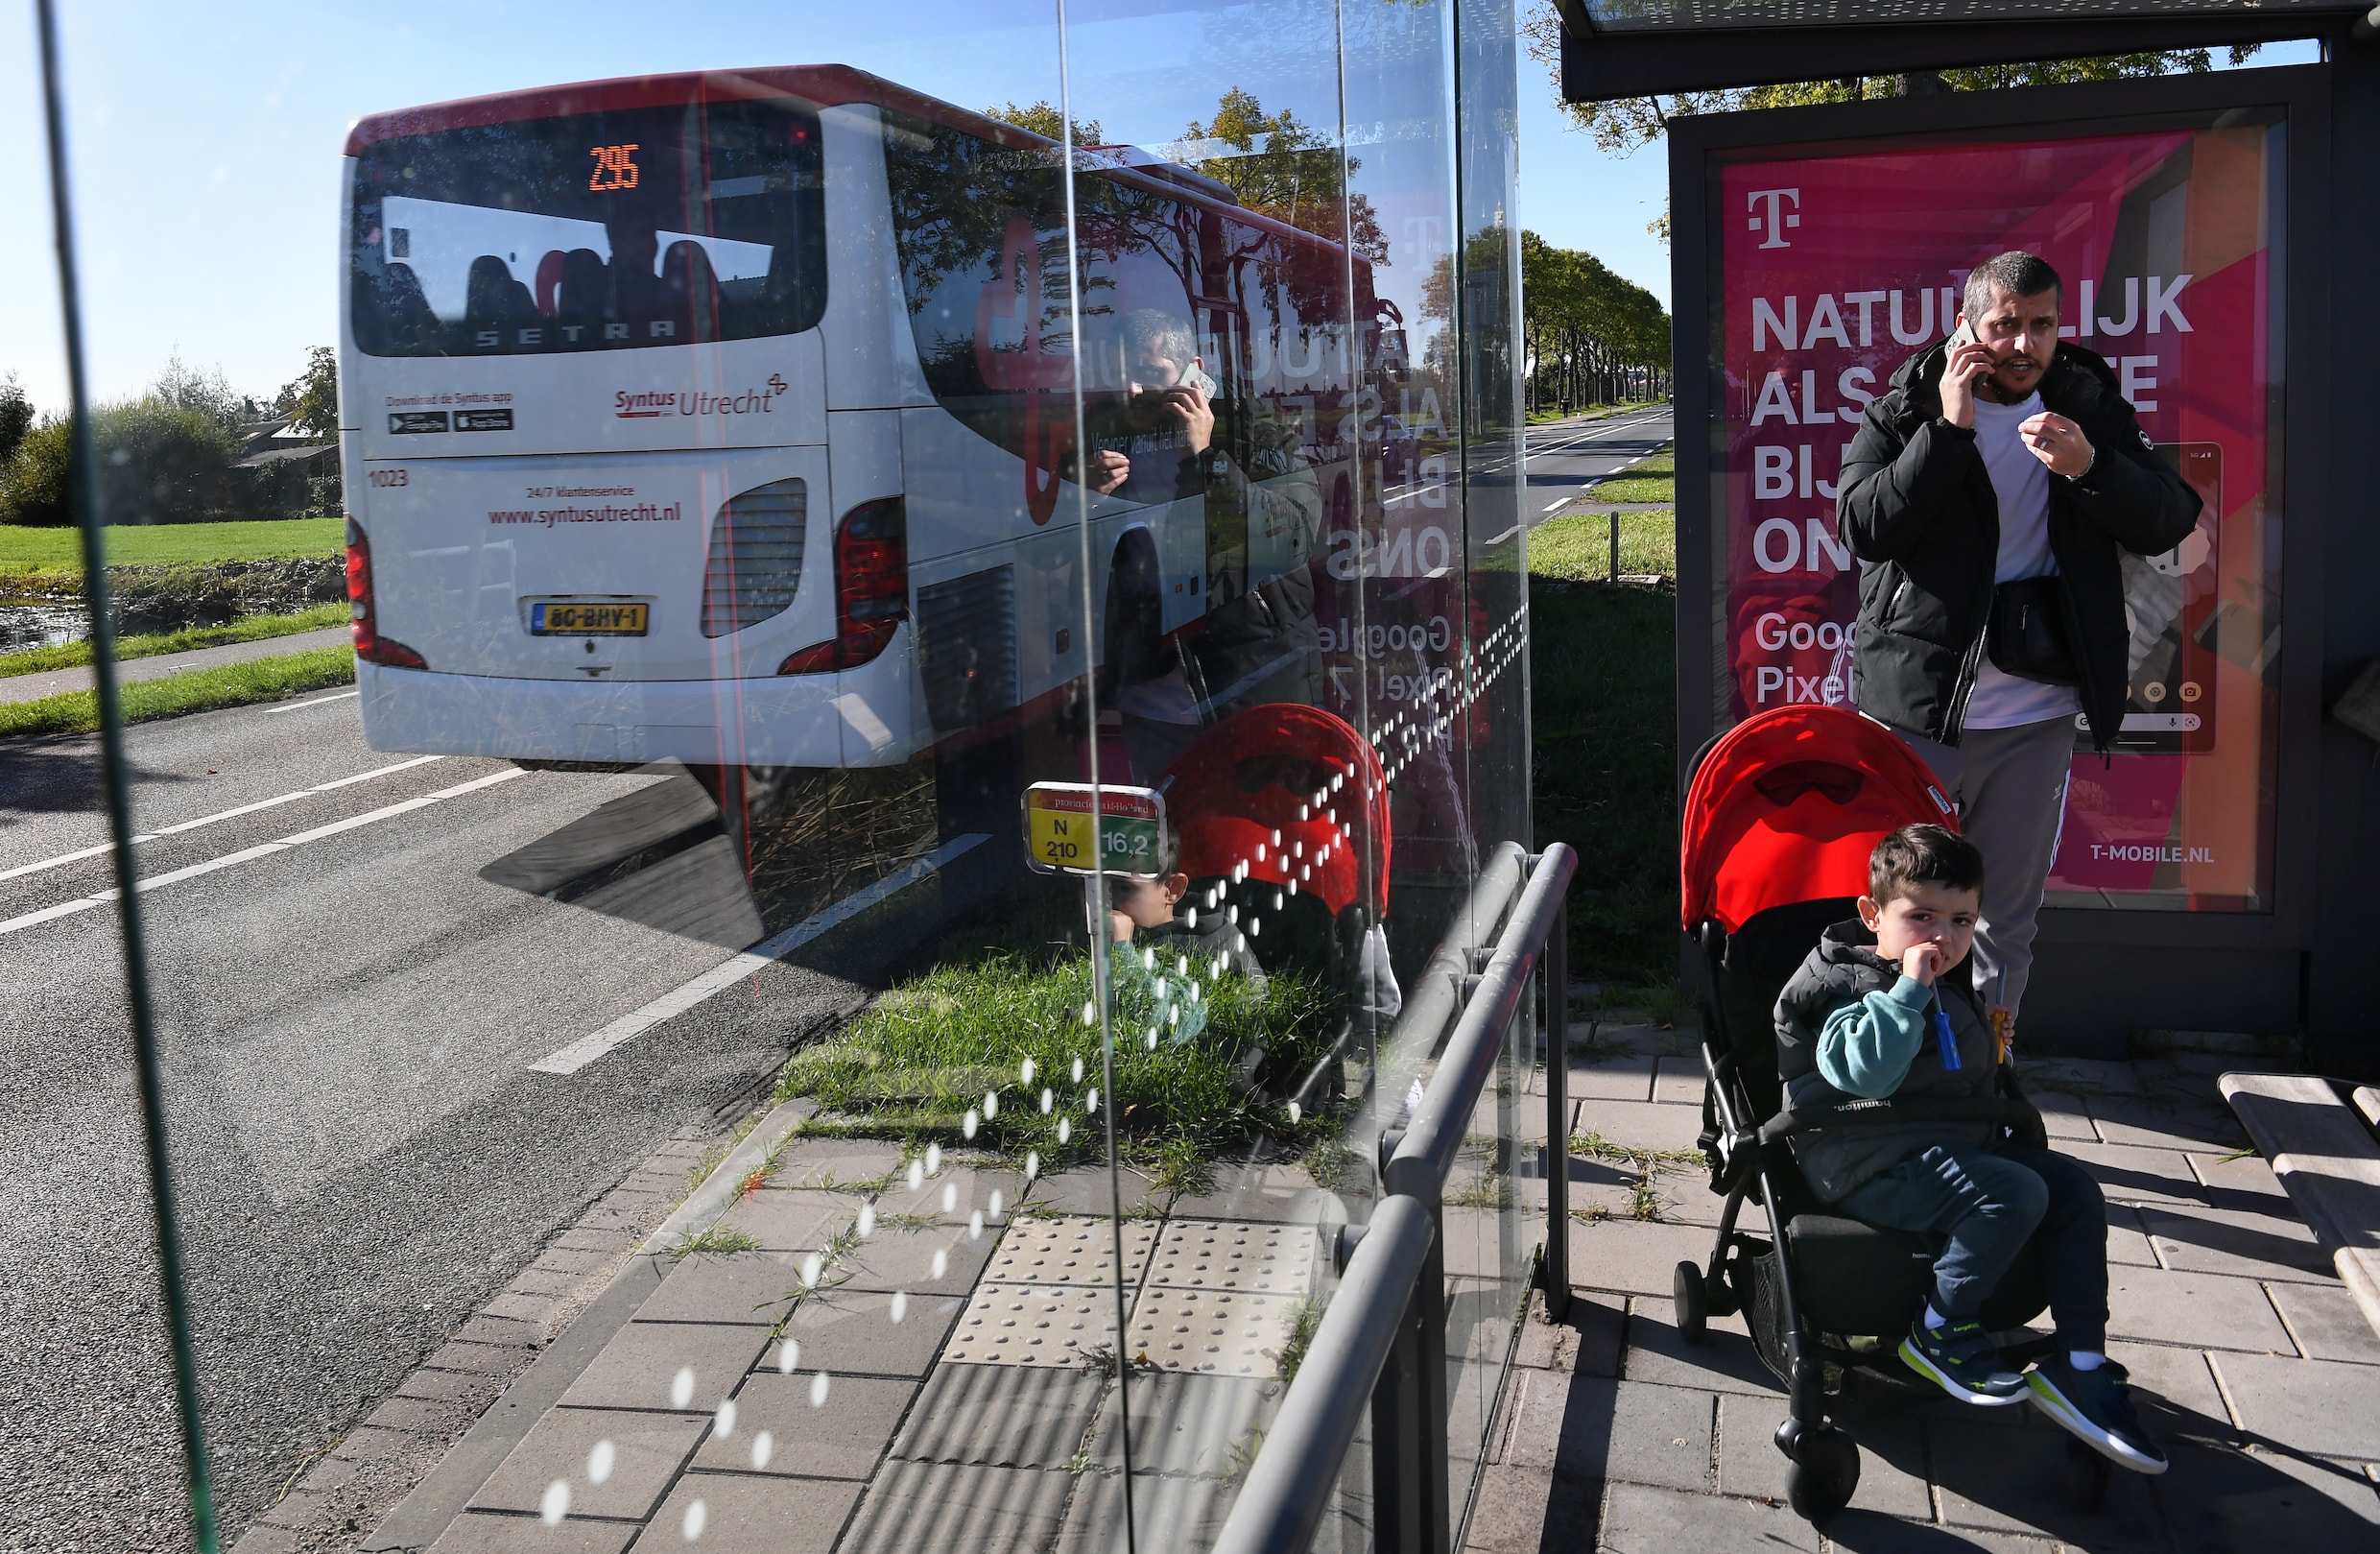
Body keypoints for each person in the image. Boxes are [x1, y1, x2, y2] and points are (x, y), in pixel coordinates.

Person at [1835, 251, 2201, 1043]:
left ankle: (1990, 1071)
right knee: (1898, 910)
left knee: (2006, 920)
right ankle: (1888, 1073)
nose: (2023, 344)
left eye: (2041, 324)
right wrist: (1947, 430)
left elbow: (2171, 515)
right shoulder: (1909, 400)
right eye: (2005, 324)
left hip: (2033, 714)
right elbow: (1863, 525)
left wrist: (2091, 467)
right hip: (1916, 714)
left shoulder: (2086, 399)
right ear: (1968, 323)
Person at [1774, 825, 2163, 1473]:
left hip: (1942, 1146)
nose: (1941, 936)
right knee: (2015, 1191)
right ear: (1872, 914)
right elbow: (1869, 1073)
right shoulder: (1843, 987)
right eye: (1920, 915)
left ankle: (2082, 1364)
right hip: (1868, 1161)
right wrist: (1907, 993)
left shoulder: (1950, 986)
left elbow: (1952, 1071)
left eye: (1960, 920)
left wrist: (1987, 1040)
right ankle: (1940, 1330)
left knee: (2073, 1189)